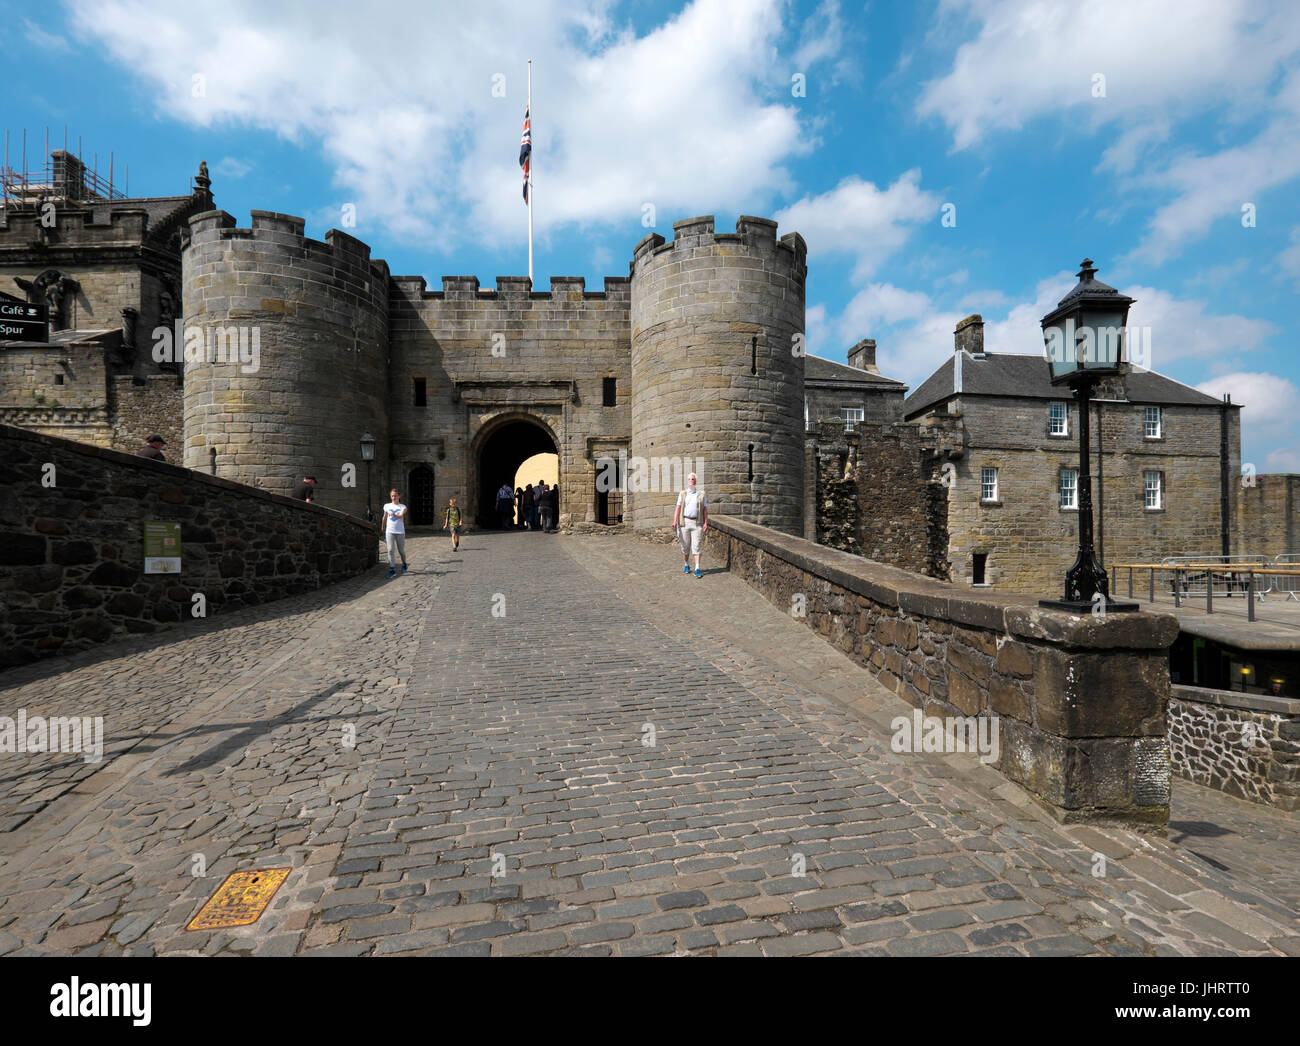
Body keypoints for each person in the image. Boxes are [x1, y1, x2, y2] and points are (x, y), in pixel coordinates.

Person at [672, 472, 708, 577]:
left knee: (696, 546)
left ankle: (697, 568)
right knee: (685, 547)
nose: (691, 481)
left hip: (697, 523)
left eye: (693, 479)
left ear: (695, 481)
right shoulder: (683, 494)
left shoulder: (701, 494)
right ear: (687, 481)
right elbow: (677, 508)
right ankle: (686, 564)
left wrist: (706, 522)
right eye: (690, 479)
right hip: (684, 523)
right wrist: (675, 521)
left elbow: (705, 509)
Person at [382, 487, 408, 578]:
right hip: (390, 531)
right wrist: (383, 526)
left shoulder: (403, 506)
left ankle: (404, 564)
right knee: (390, 550)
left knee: (401, 551)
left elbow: (401, 515)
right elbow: (384, 517)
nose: (393, 497)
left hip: (400, 531)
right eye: (392, 496)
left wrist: (395, 515)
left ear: (398, 496)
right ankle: (392, 569)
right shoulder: (387, 506)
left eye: (395, 496)